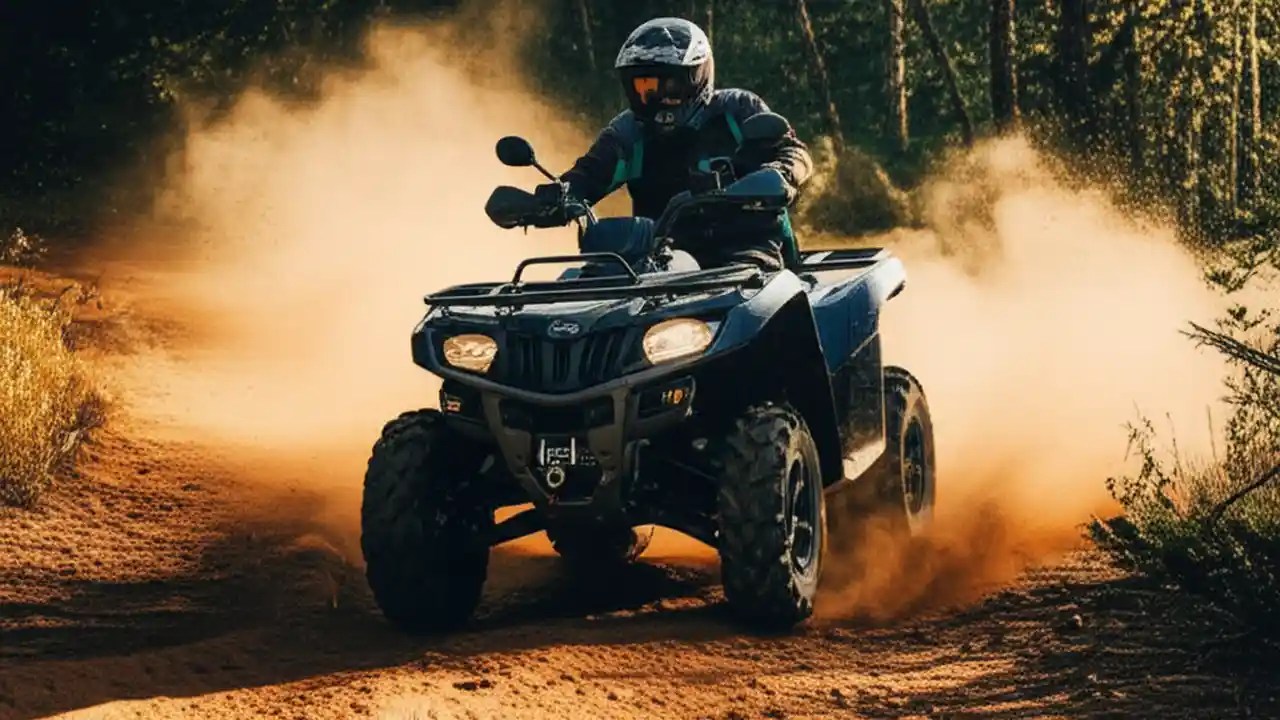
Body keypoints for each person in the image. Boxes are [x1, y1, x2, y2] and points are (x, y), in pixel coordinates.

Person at [540, 17, 813, 271]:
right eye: (645, 88)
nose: (657, 99)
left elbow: (794, 151)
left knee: (741, 295)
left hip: (744, 253)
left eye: (670, 87)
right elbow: (589, 174)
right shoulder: (629, 131)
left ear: (698, 78)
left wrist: (783, 173)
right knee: (585, 278)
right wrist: (550, 199)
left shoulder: (737, 109)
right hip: (657, 260)